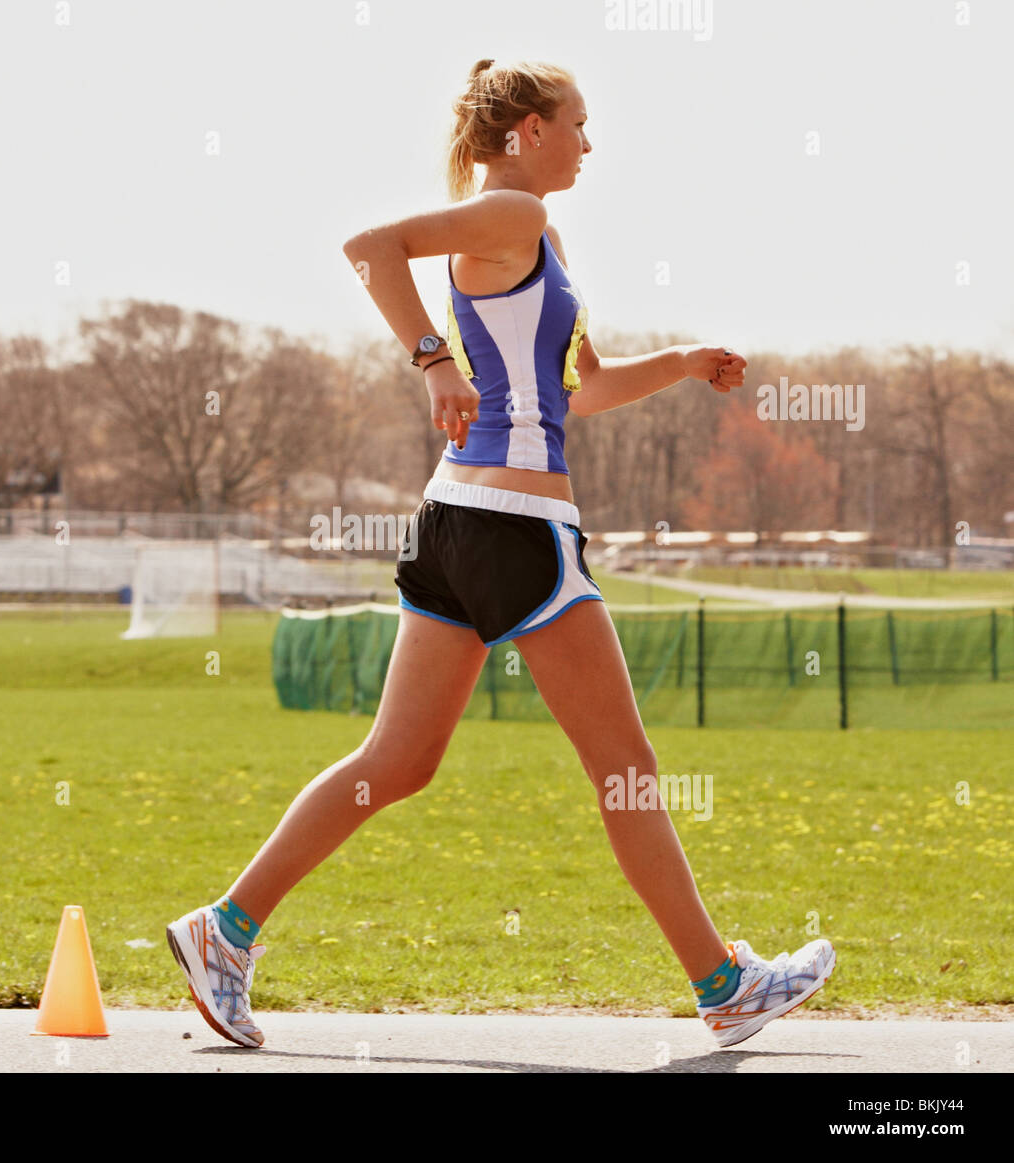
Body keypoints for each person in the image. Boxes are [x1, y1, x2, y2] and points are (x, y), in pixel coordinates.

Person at [167, 58, 834, 1051]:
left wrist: (686, 361)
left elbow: (583, 389)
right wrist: (430, 361)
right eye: (576, 123)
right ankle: (723, 983)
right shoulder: (511, 217)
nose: (587, 142)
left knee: (396, 761)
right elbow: (368, 246)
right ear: (525, 130)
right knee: (626, 770)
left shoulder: (536, 236)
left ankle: (225, 927)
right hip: (518, 531)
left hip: (456, 522)